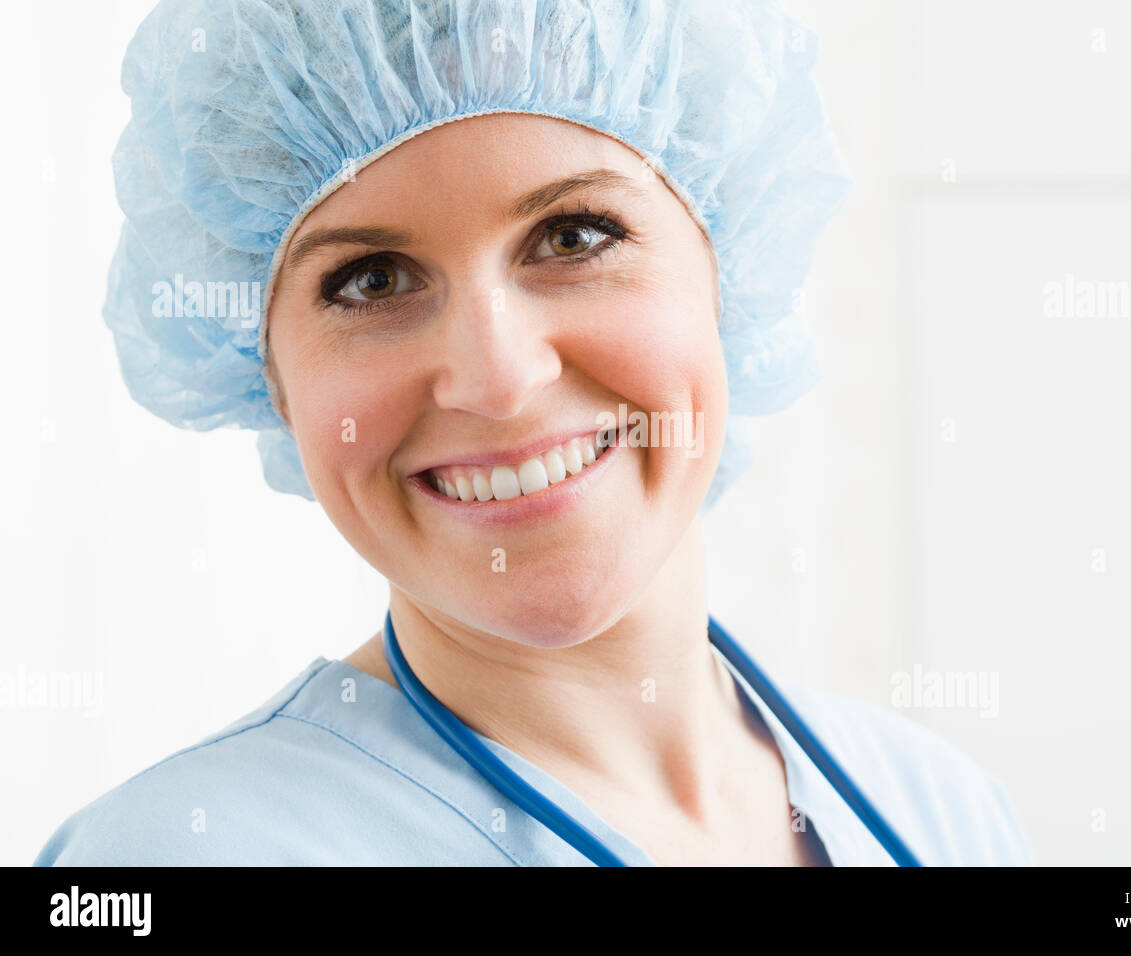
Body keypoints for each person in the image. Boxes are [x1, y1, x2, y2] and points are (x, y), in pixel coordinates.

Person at [35, 0, 1034, 866]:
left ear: (727, 264)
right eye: (370, 279)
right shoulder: (182, 854)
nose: (500, 379)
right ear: (271, 381)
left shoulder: (938, 807)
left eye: (573, 235)